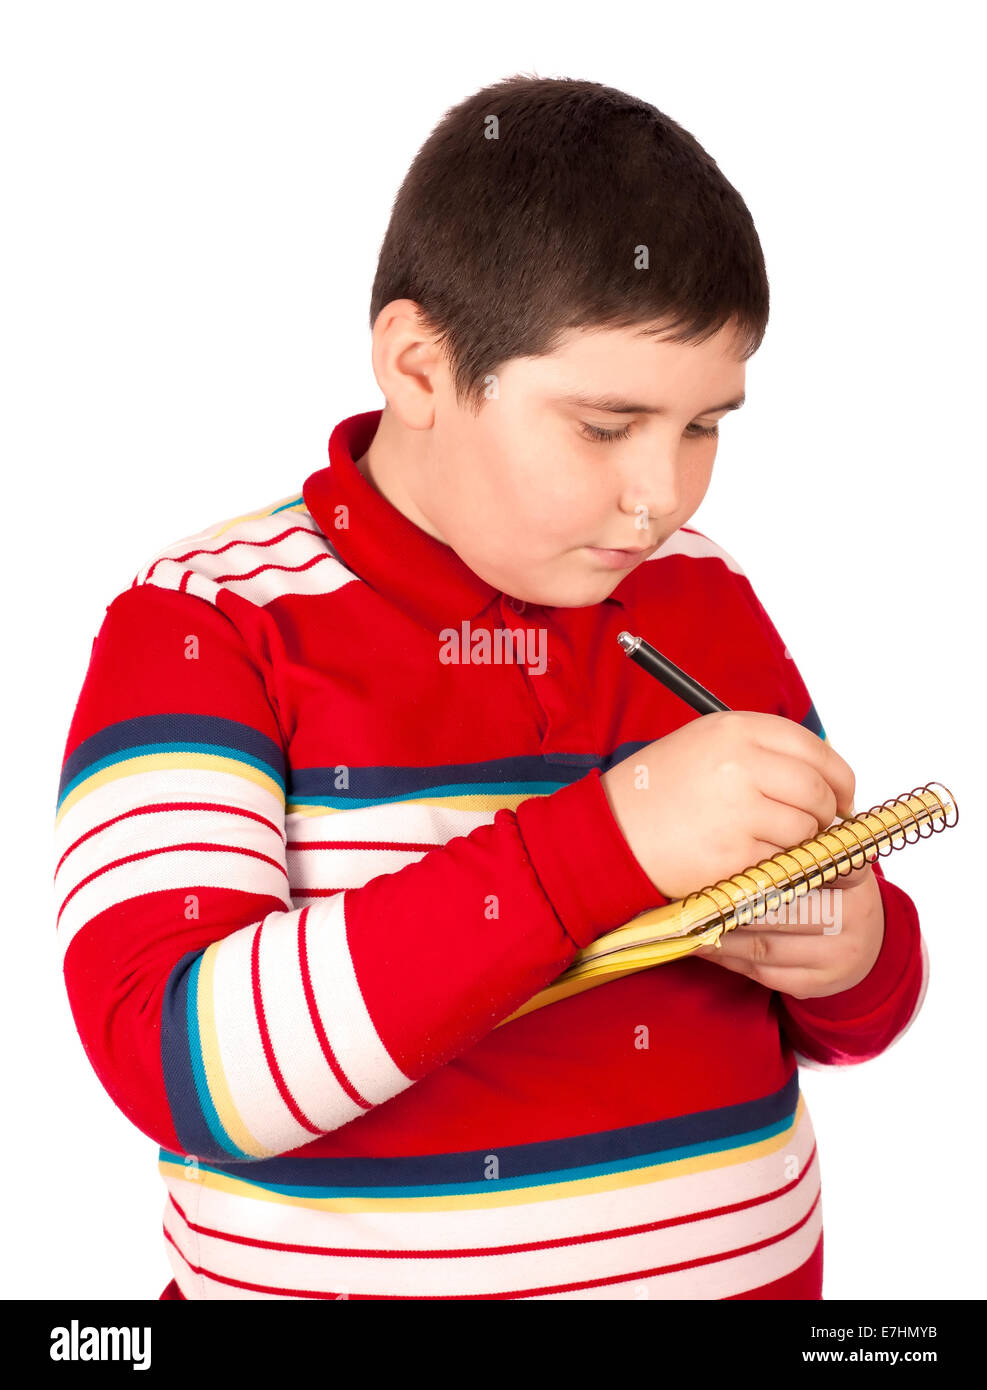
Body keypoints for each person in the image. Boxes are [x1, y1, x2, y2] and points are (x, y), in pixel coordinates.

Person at [53, 74, 926, 1301]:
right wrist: (607, 842)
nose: (661, 497)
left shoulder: (705, 593)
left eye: (704, 427)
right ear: (419, 369)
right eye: (606, 426)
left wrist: (854, 952)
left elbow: (847, 1013)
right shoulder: (207, 623)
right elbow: (179, 1062)